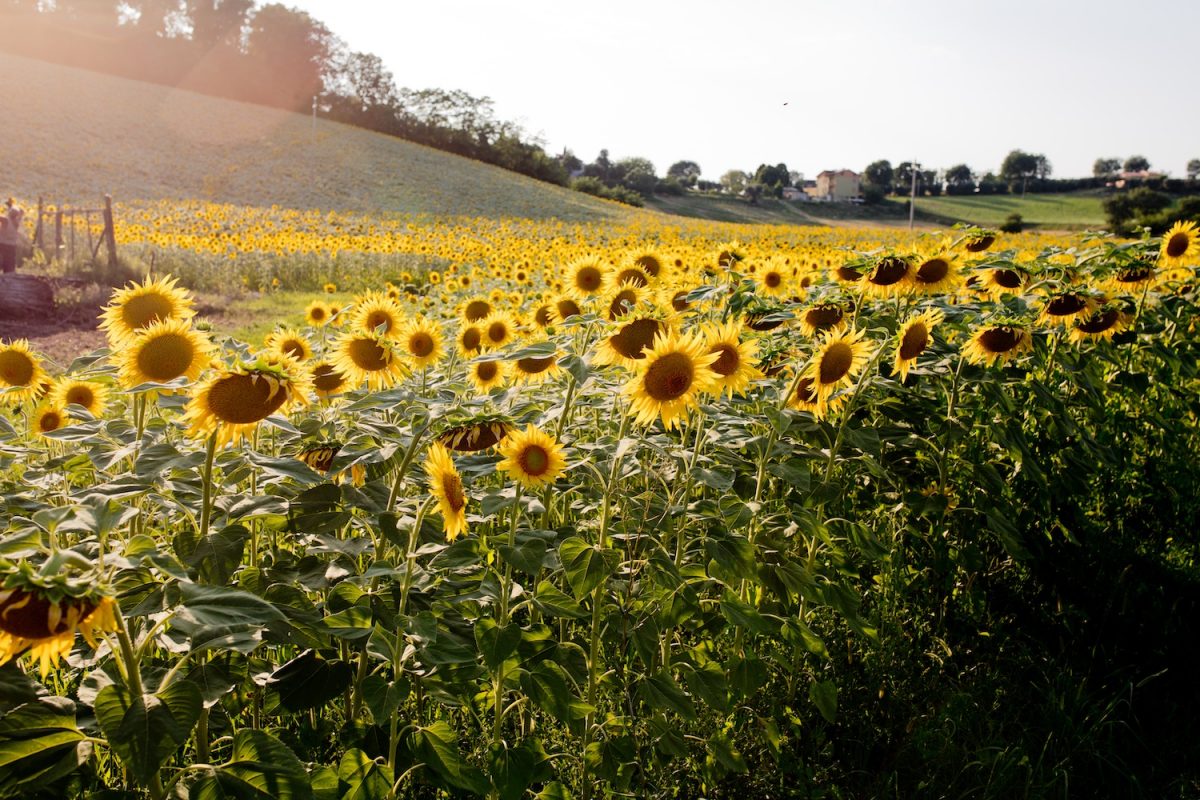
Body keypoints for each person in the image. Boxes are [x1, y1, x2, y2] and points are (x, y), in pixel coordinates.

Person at [0, 198, 24, 274]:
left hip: (2, 245)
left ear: (10, 213)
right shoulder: (17, 221)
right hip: (12, 246)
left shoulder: (5, 220)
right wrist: (10, 206)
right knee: (9, 268)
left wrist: (10, 207)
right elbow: (21, 212)